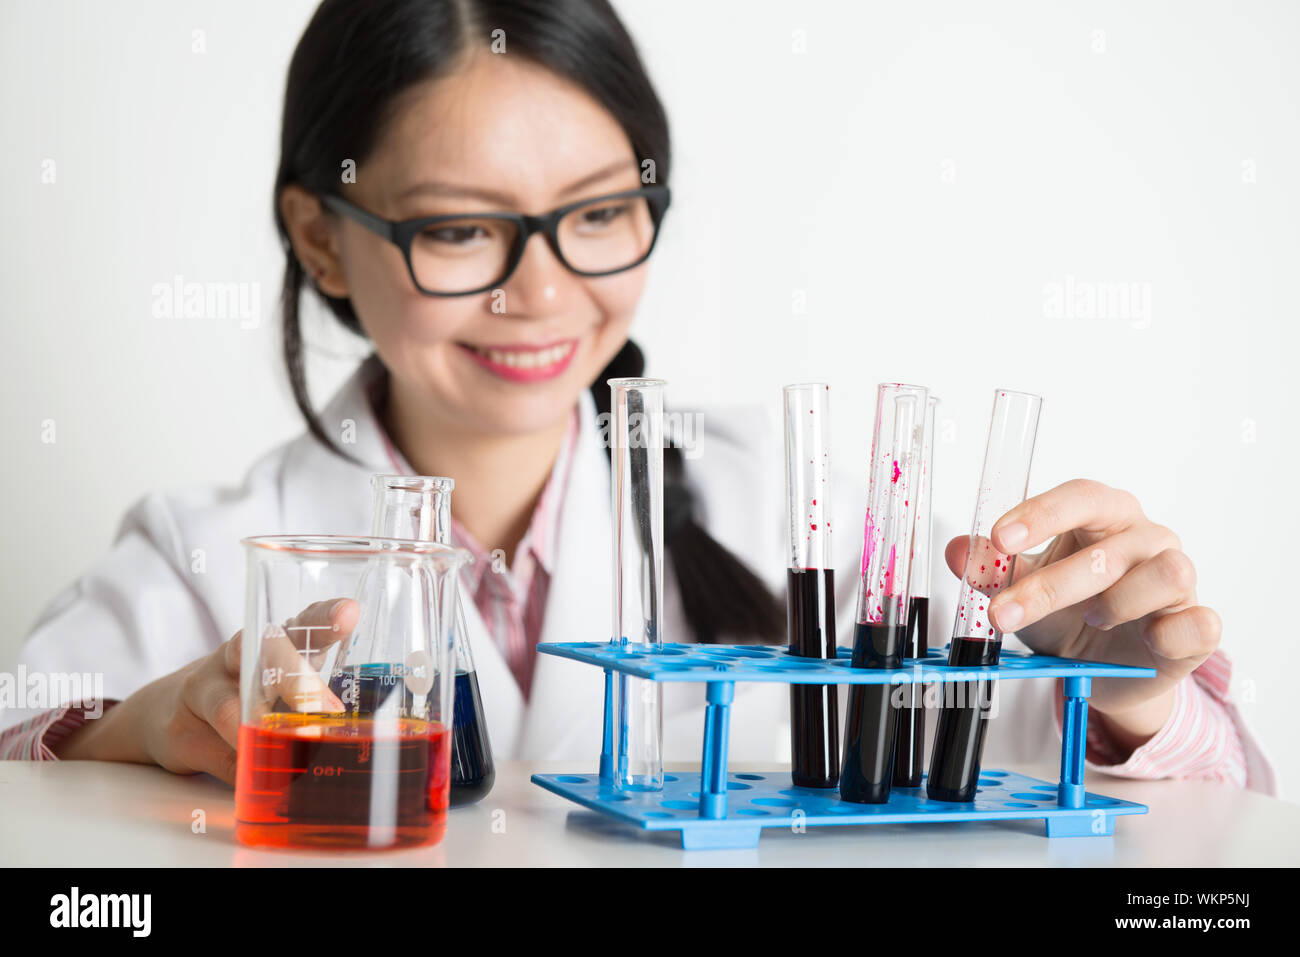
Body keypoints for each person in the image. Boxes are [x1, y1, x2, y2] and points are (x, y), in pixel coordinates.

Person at [0, 0, 1273, 797]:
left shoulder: (805, 502)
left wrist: (1125, 703)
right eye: (458, 231)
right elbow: (23, 745)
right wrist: (132, 727)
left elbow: (1198, 827)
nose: (543, 291)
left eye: (600, 214)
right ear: (321, 241)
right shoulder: (202, 552)